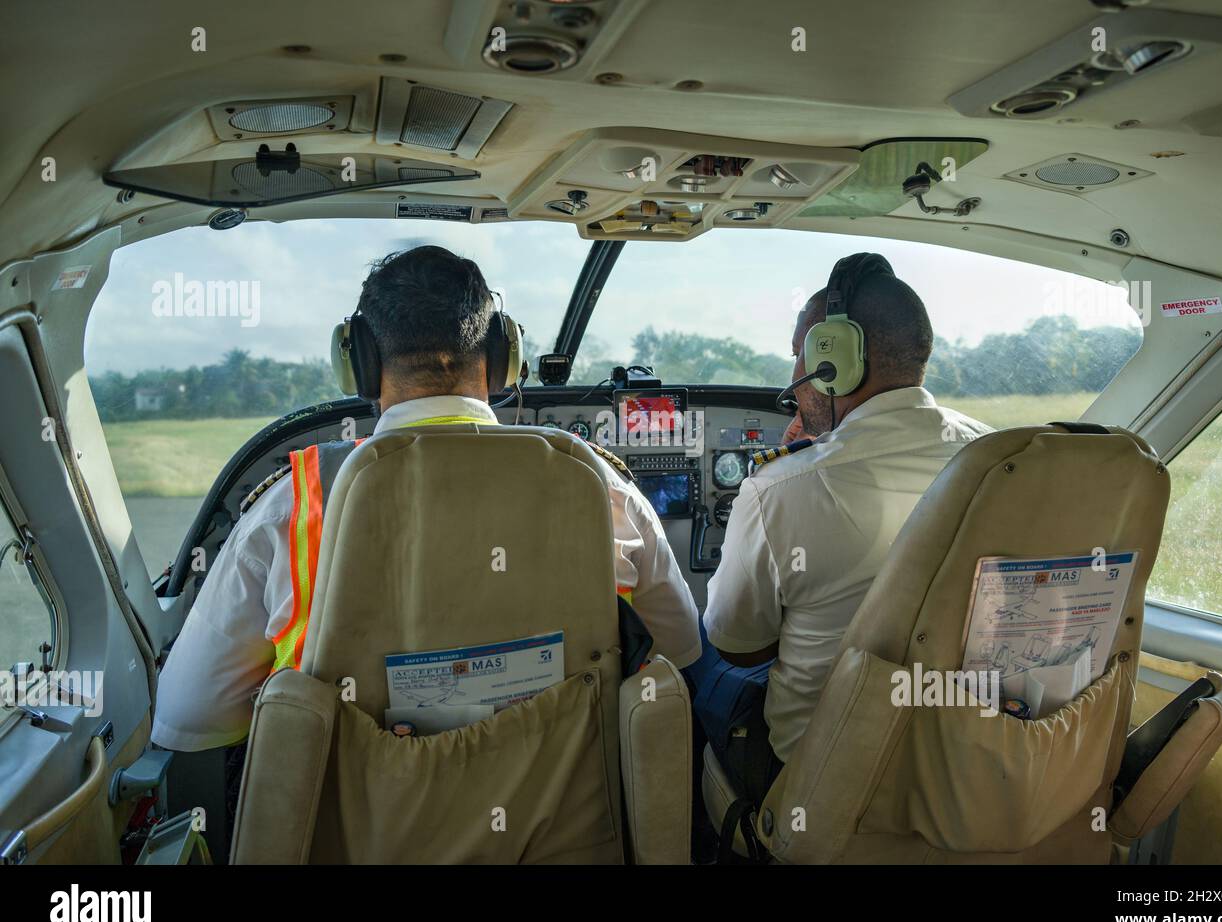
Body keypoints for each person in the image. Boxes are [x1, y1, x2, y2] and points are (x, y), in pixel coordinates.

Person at [152, 245, 702, 752]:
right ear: (500, 356)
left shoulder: (295, 507)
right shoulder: (599, 484)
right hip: (571, 828)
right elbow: (678, 653)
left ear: (361, 361)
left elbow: (194, 715)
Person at [698, 258, 992, 799]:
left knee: (696, 657)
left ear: (834, 360)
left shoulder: (778, 489)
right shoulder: (997, 455)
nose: (793, 380)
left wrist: (795, 472)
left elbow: (738, 645)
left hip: (823, 782)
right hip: (967, 770)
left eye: (799, 357)